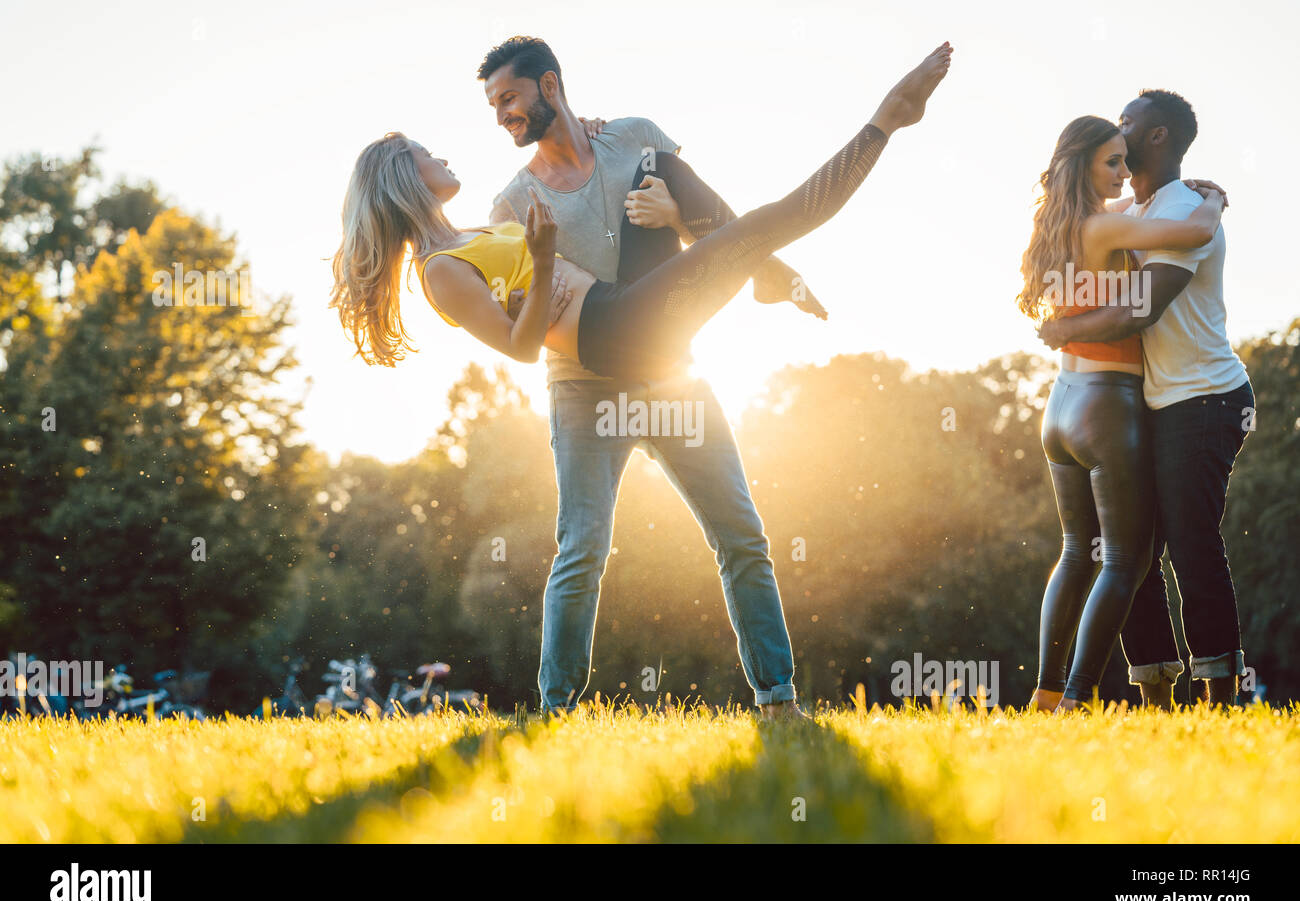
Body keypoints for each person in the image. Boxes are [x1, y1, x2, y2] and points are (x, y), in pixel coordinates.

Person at [330, 41, 953, 715]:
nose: (454, 148)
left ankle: (777, 700)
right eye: (428, 153)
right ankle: (886, 121)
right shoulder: (448, 263)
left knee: (739, 532)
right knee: (584, 547)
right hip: (604, 348)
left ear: (549, 85)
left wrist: (646, 195)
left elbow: (577, 236)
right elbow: (519, 346)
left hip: (645, 343)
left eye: (508, 99)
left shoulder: (474, 231)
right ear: (404, 176)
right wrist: (541, 263)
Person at [1038, 90, 1253, 708]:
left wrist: (1068, 329)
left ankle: (1218, 691)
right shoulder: (1137, 206)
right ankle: (1155, 692)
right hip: (1151, 401)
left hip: (1203, 398)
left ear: (1157, 136)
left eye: (1128, 122)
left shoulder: (1183, 206)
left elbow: (1141, 307)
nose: (1120, 128)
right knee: (1130, 550)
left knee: (1189, 542)